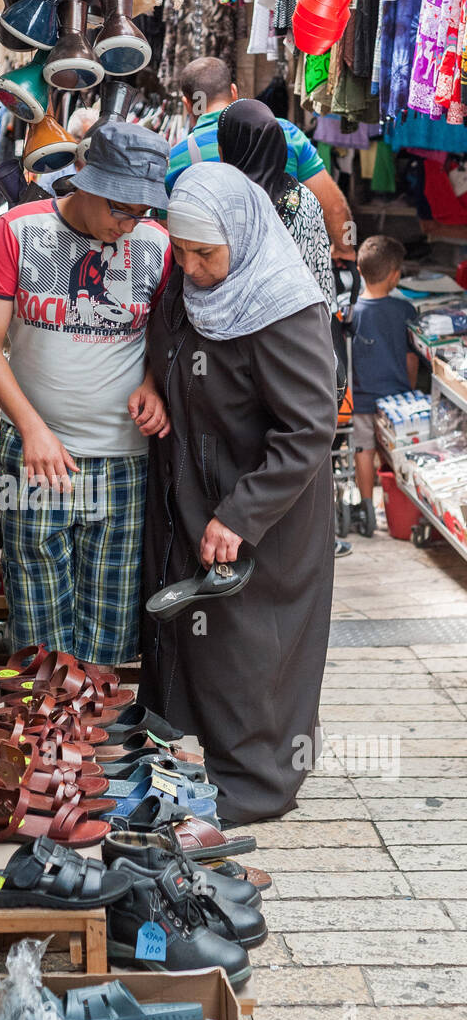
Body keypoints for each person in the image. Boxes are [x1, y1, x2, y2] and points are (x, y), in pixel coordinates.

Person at [139, 163, 338, 826]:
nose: (191, 268)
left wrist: (243, 514)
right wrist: (153, 388)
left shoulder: (284, 305)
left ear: (244, 237)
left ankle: (257, 785)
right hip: (197, 481)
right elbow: (169, 347)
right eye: (183, 251)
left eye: (206, 254)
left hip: (268, 507)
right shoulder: (187, 280)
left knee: (251, 643)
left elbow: (308, 429)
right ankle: (193, 759)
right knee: (196, 629)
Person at [0, 122, 172, 665]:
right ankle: (40, 734)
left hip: (125, 461)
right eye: (119, 209)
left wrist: (153, 382)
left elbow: (166, 337)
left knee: (108, 626)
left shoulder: (157, 245)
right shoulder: (17, 232)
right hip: (35, 460)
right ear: (83, 178)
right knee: (37, 621)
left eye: (141, 211)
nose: (129, 225)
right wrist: (32, 428)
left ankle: (88, 743)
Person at [166, 56, 355, 263]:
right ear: (234, 91)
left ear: (186, 104)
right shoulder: (283, 132)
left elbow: (171, 232)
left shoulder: (176, 157)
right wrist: (344, 249)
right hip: (286, 267)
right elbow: (334, 207)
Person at [218, 97, 336, 312]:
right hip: (299, 329)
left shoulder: (219, 204)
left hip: (233, 337)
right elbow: (322, 275)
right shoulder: (306, 199)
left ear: (226, 147)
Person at [351, 236, 417, 531]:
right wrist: (410, 390)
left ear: (359, 270)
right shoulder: (404, 311)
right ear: (395, 275)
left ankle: (366, 508)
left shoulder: (352, 313)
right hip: (396, 400)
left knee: (363, 450)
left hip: (362, 398)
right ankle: (401, 508)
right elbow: (411, 358)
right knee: (398, 450)